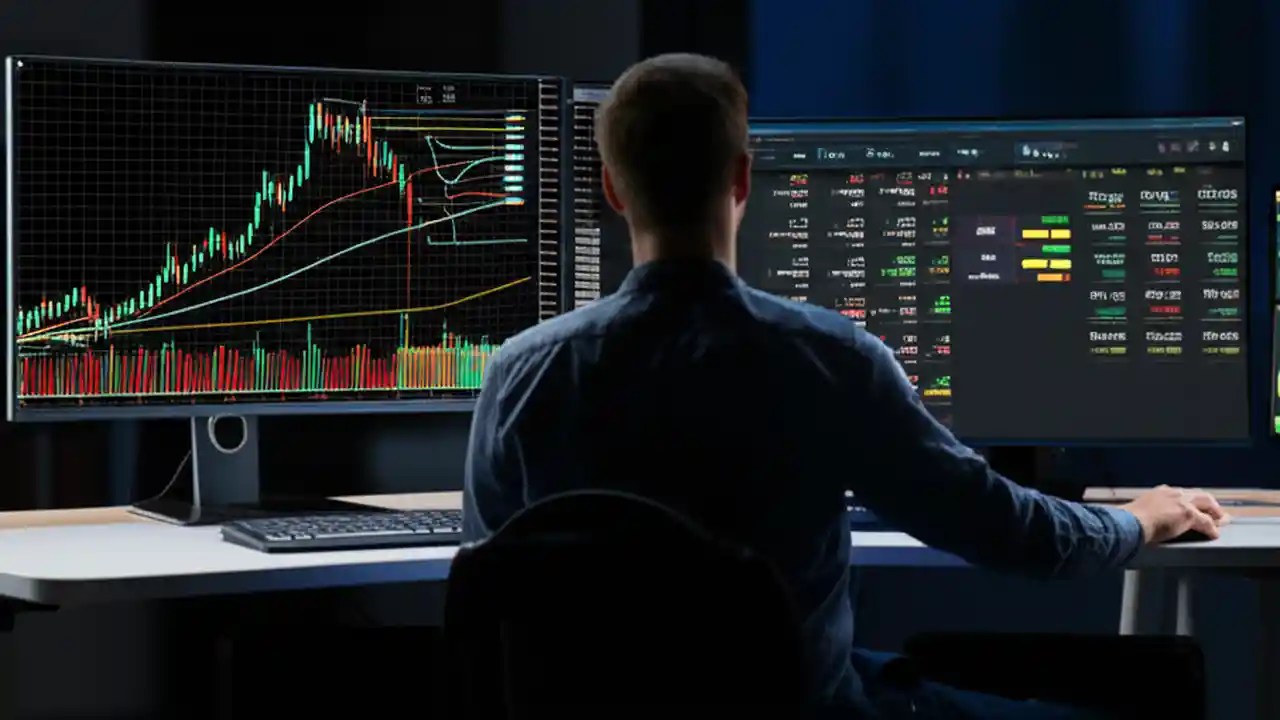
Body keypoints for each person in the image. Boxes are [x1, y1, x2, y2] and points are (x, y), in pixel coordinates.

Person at [461, 53, 1230, 717]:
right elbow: (1012, 534)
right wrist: (1141, 520)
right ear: (742, 177)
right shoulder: (826, 360)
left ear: (613, 189)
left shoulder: (520, 377)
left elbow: (490, 584)